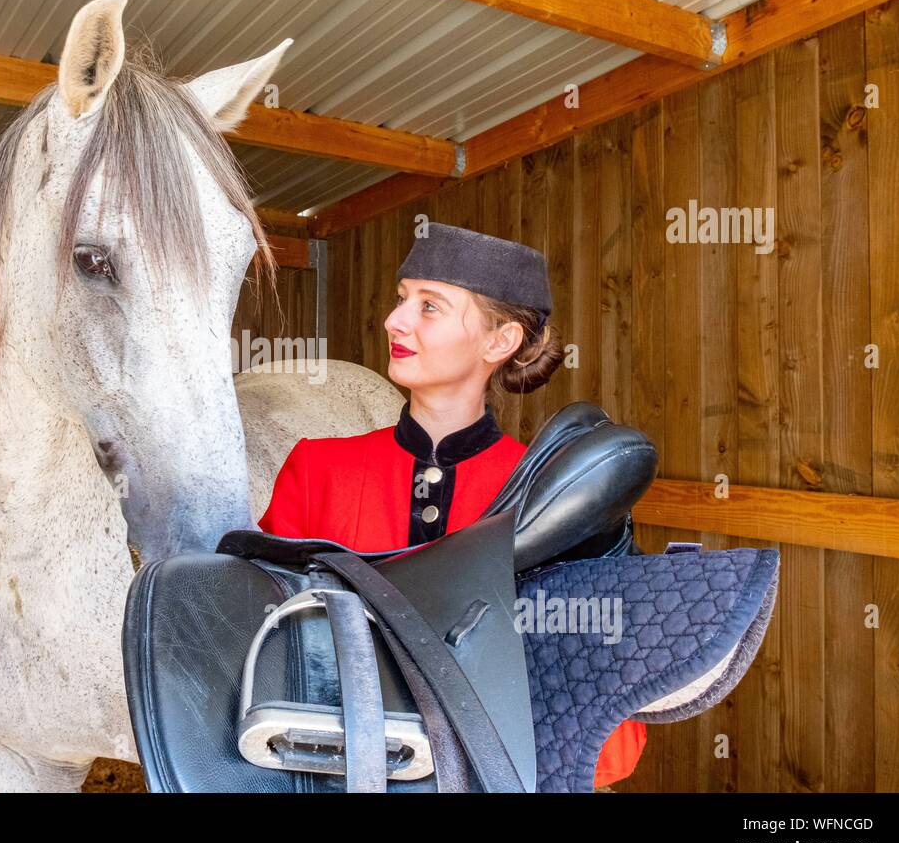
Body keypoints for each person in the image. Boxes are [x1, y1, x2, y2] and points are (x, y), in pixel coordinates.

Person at [257, 221, 646, 789]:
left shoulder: (549, 494)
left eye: (429, 306)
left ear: (500, 342)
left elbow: (608, 740)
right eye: (401, 299)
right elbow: (263, 651)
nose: (395, 321)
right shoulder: (317, 470)